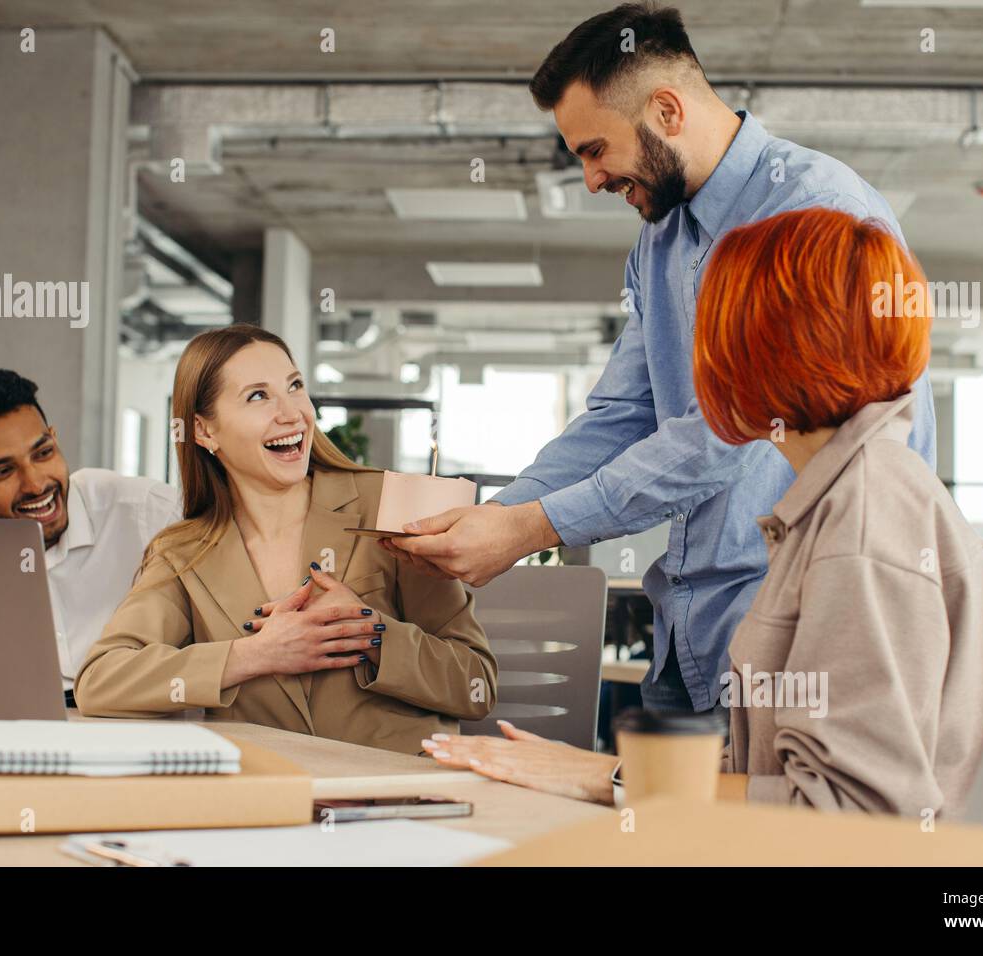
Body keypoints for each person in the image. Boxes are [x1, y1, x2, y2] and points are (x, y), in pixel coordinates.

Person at [387, 3, 937, 717]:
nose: (590, 179)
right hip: (690, 621)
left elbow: (735, 430)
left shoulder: (815, 213)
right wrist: (496, 518)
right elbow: (624, 413)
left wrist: (532, 529)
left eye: (593, 150)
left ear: (668, 111)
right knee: (668, 820)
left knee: (772, 821)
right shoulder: (661, 238)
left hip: (798, 624)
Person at [423, 208, 983, 818]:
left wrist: (608, 778)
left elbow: (852, 817)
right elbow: (773, 772)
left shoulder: (865, 515)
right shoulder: (844, 493)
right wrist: (611, 777)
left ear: (763, 348)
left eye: (712, 329)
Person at [74, 325, 497, 755]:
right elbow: (101, 682)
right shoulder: (184, 552)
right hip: (269, 798)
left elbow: (475, 686)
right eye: (258, 396)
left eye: (295, 386)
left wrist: (372, 632)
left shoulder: (390, 505)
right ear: (203, 431)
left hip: (395, 792)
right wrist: (255, 655)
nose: (291, 412)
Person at [0, 369, 181, 698]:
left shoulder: (149, 513)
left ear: (54, 439)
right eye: (4, 471)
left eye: (43, 453)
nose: (36, 484)